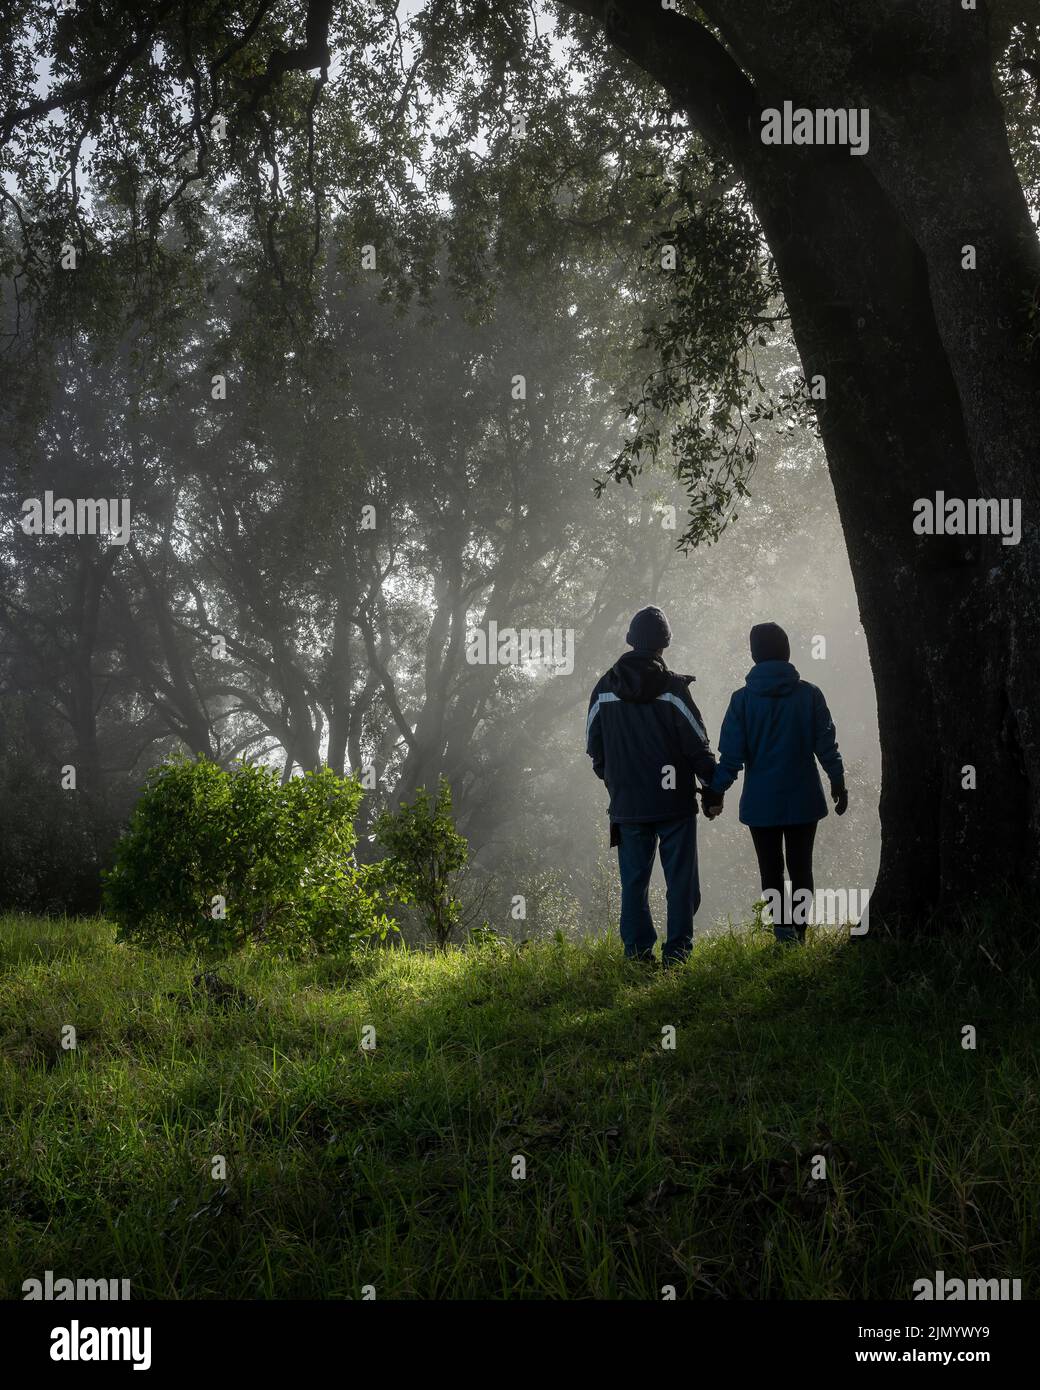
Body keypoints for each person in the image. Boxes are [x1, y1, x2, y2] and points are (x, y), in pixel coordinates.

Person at [586, 605, 723, 967]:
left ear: (631, 640)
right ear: (664, 644)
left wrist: (613, 779)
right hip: (674, 803)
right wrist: (713, 788)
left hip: (627, 804)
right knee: (680, 884)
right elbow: (698, 746)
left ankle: (637, 954)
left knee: (634, 884)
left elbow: (593, 746)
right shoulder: (673, 688)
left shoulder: (605, 687)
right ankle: (677, 954)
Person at [708, 622, 847, 943]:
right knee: (802, 869)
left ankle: (783, 933)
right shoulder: (810, 695)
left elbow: (731, 757)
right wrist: (837, 780)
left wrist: (716, 790)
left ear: (755, 655)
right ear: (786, 653)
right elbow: (826, 744)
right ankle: (800, 932)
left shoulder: (741, 701)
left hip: (761, 803)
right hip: (804, 799)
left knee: (771, 871)